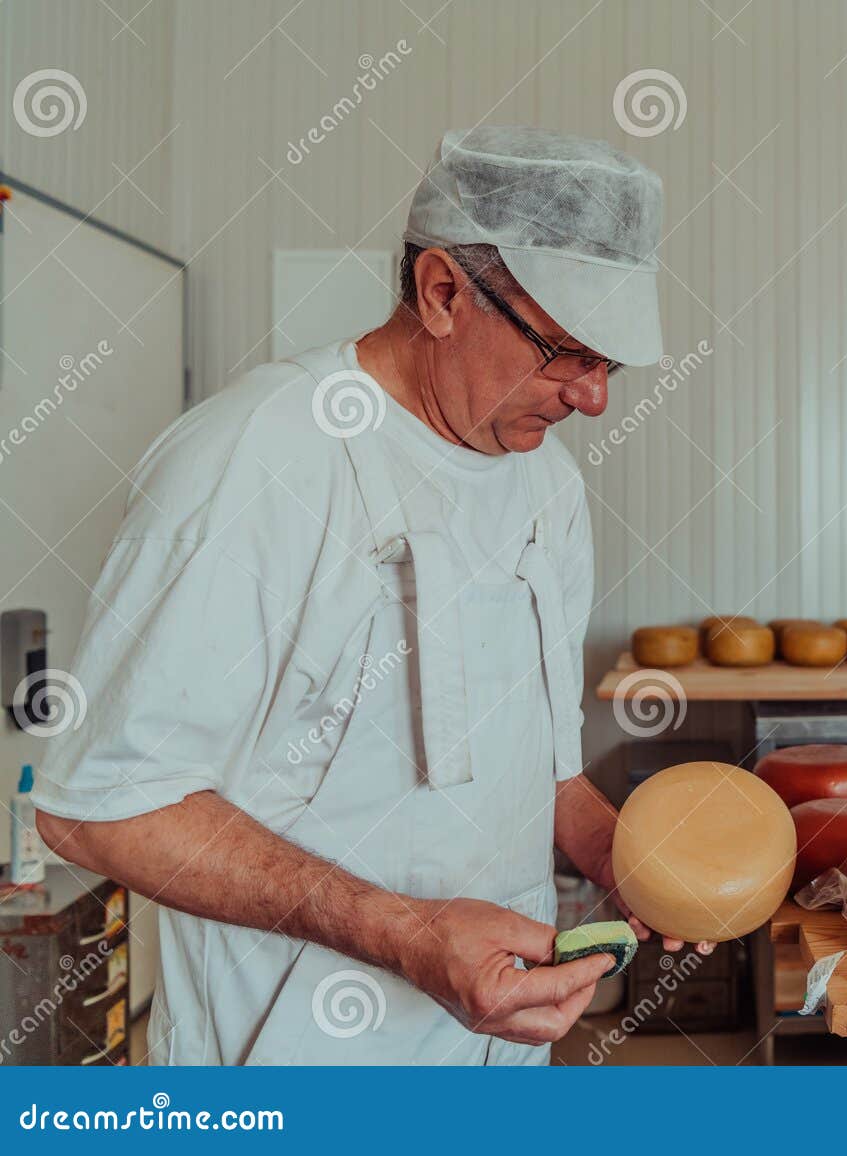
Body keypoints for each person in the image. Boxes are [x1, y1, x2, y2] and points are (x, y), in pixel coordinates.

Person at [32, 126, 706, 1064]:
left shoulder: (545, 486)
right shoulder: (257, 460)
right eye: (569, 352)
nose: (593, 399)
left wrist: (616, 852)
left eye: (612, 366)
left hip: (498, 1054)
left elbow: (533, 767)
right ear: (441, 293)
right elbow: (99, 807)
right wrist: (404, 936)